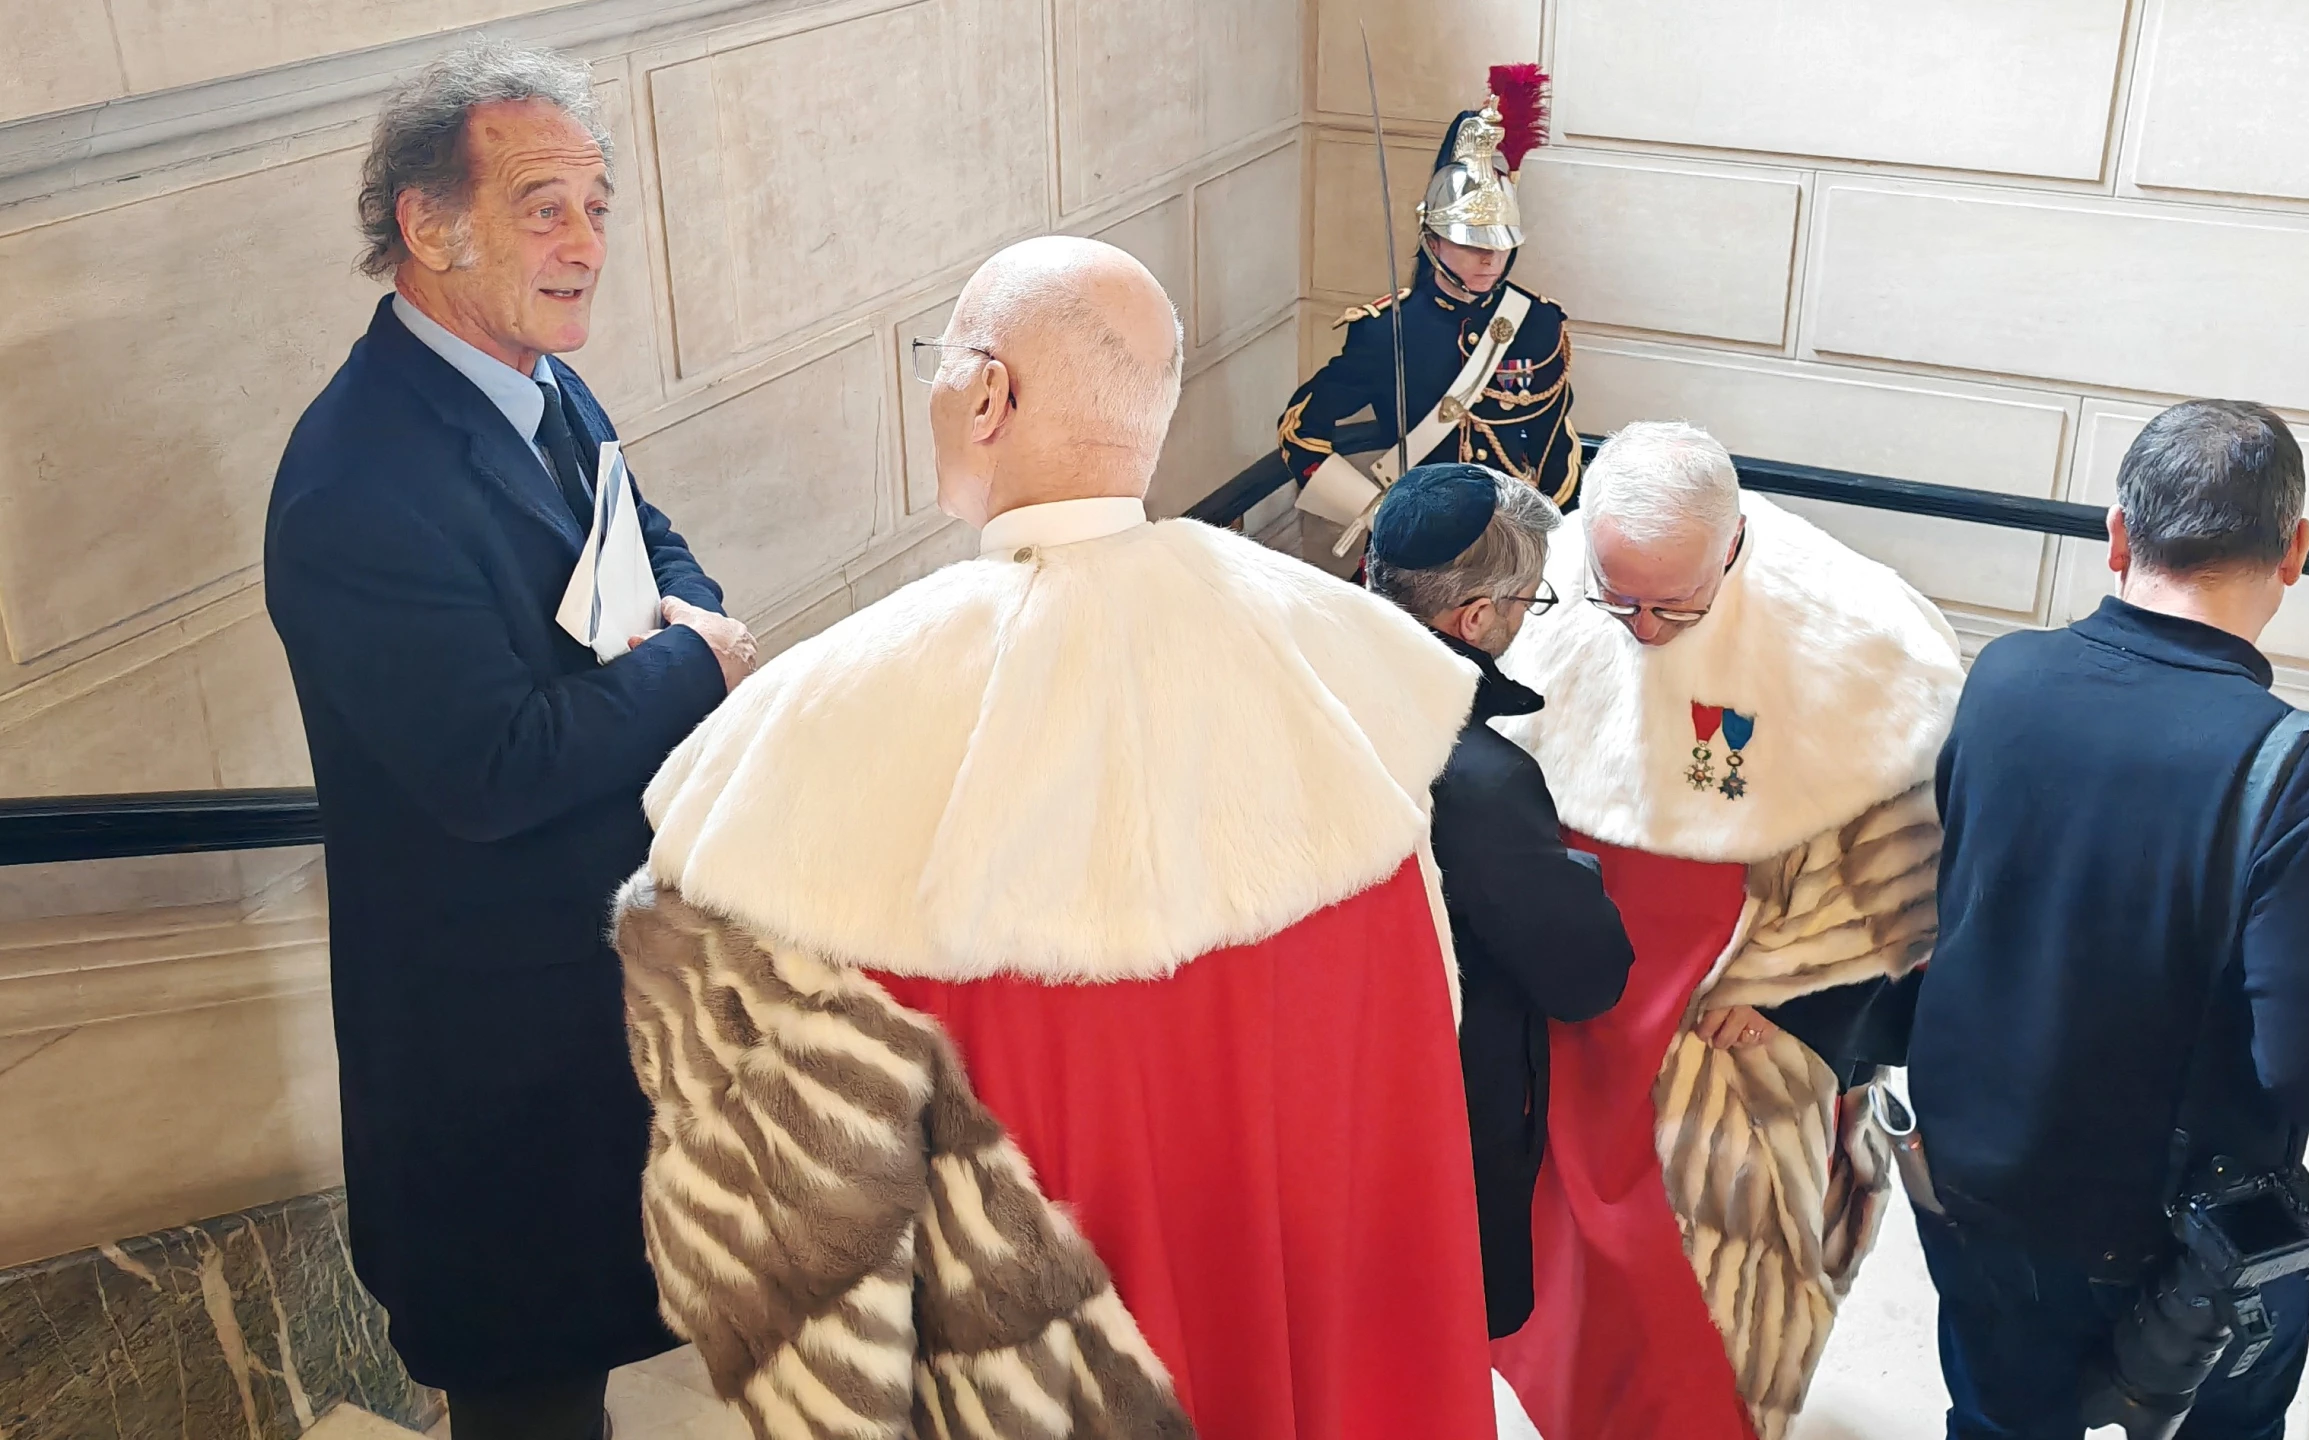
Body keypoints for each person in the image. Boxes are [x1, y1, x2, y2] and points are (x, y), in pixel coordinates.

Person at [614, 236, 1499, 1439]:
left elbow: (792, 1241)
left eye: (941, 361)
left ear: (988, 394)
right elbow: (1420, 1022)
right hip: (1313, 1313)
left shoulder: (828, 727)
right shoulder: (1336, 666)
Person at [263, 38, 759, 1440]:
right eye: (545, 204)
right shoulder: (357, 487)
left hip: (595, 1009)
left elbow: (644, 538)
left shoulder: (540, 376)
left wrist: (692, 622)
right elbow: (492, 766)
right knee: (529, 1399)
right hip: (485, 1069)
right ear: (427, 225)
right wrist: (696, 663)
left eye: (598, 206)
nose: (586, 243)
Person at [1905, 399, 2309, 1439]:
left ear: (2116, 533)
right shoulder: (2300, 773)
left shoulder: (2003, 677)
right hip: (2171, 1238)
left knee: (1990, 1421)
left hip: (1977, 1180)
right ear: (2295, 551)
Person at [1487, 421, 1965, 1440]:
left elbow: (1898, 872)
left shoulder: (1859, 637)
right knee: (1551, 1218)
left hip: (1737, 991)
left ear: (1732, 547)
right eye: (1619, 602)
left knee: (1728, 1242)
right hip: (1575, 957)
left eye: (1675, 605)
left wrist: (1799, 991)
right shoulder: (1560, 578)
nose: (1646, 632)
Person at [1366, 463, 1638, 1341]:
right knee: (1436, 1329)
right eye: (1528, 599)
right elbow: (1587, 974)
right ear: (1474, 618)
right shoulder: (1480, 779)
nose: (1529, 617)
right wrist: (1581, 874)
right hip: (1440, 1101)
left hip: (1318, 1081)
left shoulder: (1303, 687)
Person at [1281, 63, 1580, 544]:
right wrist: (1374, 514)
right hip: (1420, 545)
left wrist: (1553, 539)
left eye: (1500, 244)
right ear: (1434, 241)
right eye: (1471, 244)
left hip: (1515, 543)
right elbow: (1301, 430)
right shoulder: (1387, 329)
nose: (1490, 259)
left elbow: (1554, 443)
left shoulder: (1538, 323)